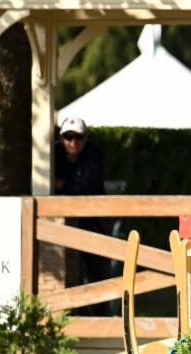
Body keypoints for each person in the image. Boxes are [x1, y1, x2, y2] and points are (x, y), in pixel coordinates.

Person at [54, 117, 116, 315]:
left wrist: (63, 185)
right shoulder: (52, 154)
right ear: (61, 138)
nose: (73, 142)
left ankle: (100, 319)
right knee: (69, 275)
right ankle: (74, 317)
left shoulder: (94, 156)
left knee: (97, 274)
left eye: (77, 137)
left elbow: (87, 189)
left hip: (92, 224)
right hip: (63, 226)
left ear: (85, 138)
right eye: (68, 137)